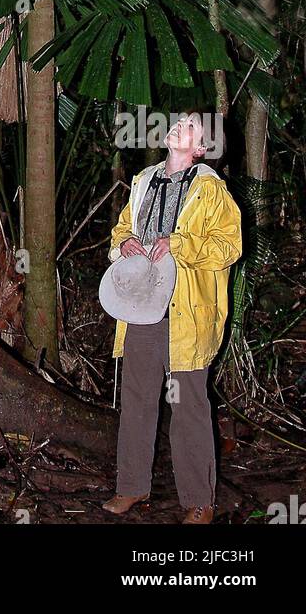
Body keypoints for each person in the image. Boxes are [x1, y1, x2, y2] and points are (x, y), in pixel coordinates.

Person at [101, 110, 242, 524]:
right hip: (142, 305)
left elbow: (228, 246)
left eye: (190, 125)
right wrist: (123, 241)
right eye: (178, 120)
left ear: (201, 147)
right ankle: (131, 487)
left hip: (188, 313)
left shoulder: (211, 191)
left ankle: (200, 500)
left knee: (189, 404)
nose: (179, 124)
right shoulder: (144, 181)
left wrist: (179, 244)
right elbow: (122, 228)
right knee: (139, 398)